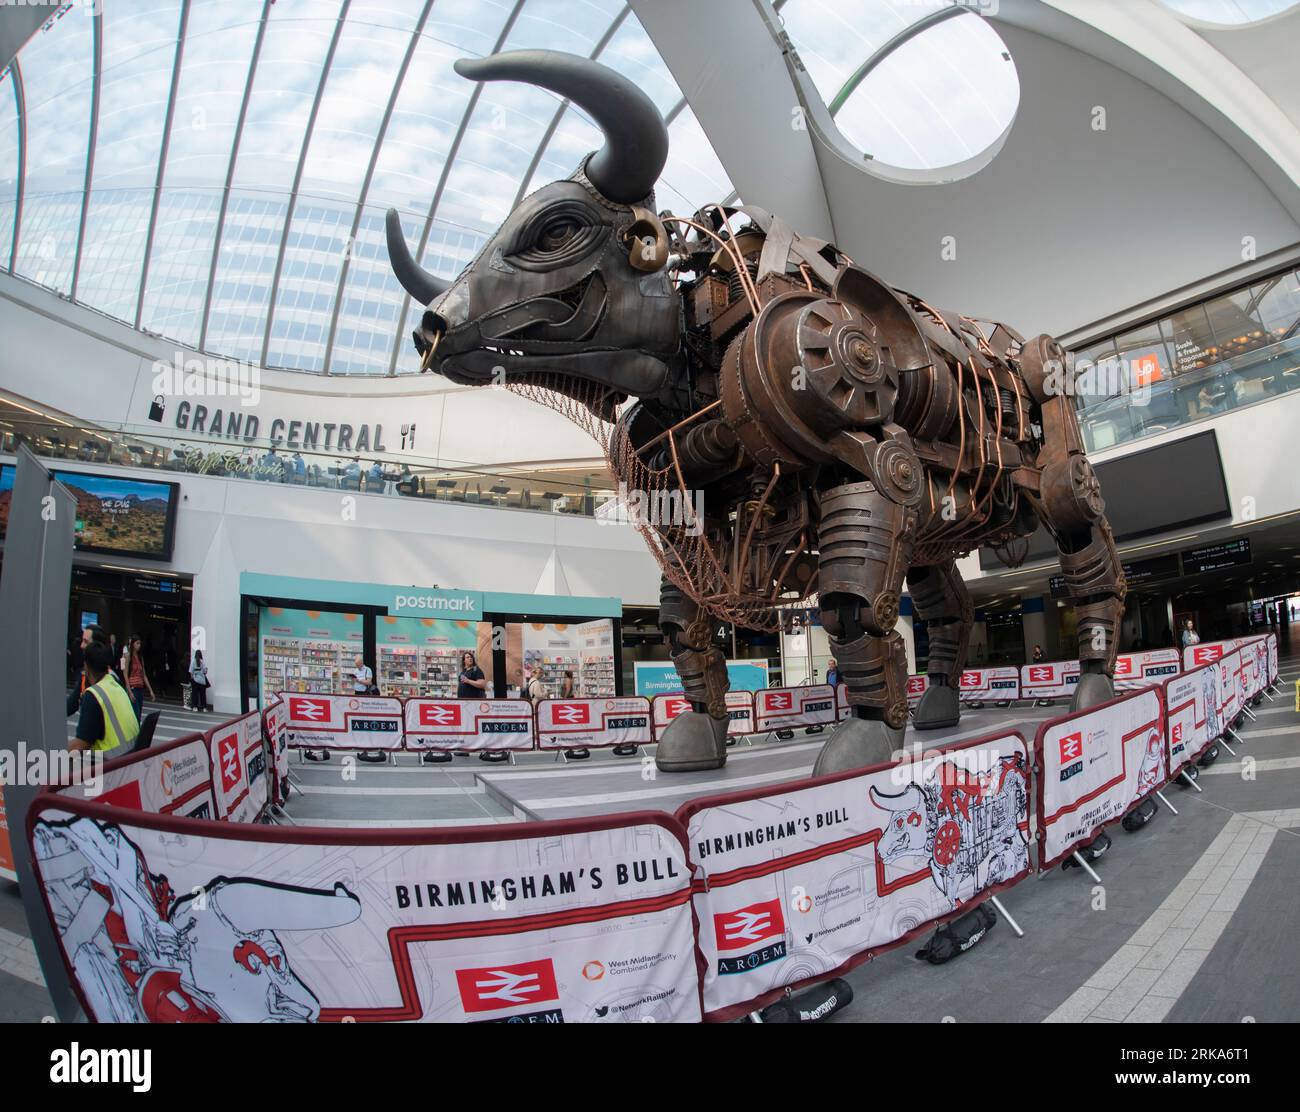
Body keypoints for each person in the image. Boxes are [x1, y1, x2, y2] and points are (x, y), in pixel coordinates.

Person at [71, 642, 138, 754]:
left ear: (86, 667)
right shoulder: (116, 685)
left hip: (111, 765)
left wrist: (53, 752)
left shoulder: (93, 695)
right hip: (130, 760)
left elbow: (80, 744)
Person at [68, 624, 110, 716]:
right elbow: (71, 705)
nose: (82, 646)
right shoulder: (84, 676)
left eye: (86, 641)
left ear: (97, 646)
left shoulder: (111, 679)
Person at [121, 634, 155, 723]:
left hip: (140, 688)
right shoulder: (128, 656)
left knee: (138, 715)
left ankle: (137, 734)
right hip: (133, 688)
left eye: (140, 643)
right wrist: (129, 691)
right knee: (135, 714)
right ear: (132, 644)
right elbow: (125, 674)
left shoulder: (140, 657)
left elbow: (144, 675)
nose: (139, 645)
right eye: (137, 643)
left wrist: (150, 690)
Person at [559, 670, 589, 761]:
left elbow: (568, 689)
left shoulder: (568, 680)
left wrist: (564, 698)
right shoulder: (571, 679)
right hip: (570, 697)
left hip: (568, 698)